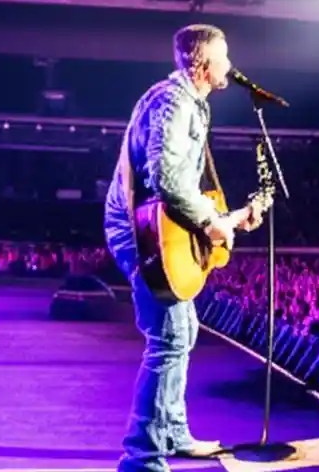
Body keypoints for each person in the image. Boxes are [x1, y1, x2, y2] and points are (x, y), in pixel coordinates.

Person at [104, 24, 261, 472]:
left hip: (155, 227)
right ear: (203, 63)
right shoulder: (172, 101)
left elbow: (180, 184)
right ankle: (143, 456)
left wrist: (230, 217)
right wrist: (211, 222)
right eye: (224, 55)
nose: (231, 64)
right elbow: (167, 177)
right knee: (168, 338)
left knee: (183, 333)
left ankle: (171, 432)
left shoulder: (190, 103)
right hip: (139, 232)